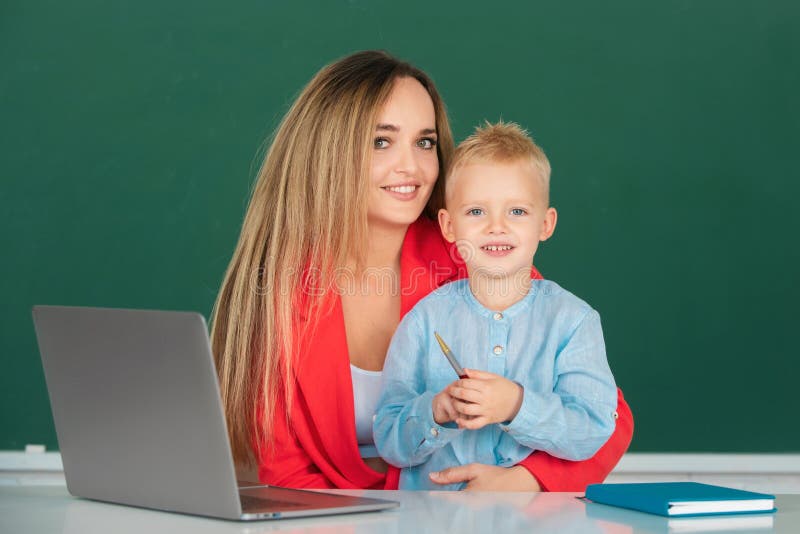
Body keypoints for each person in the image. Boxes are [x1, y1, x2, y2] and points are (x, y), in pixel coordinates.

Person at [210, 50, 633, 491]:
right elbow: (284, 474)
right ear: (329, 152)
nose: (411, 167)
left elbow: (608, 417)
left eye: (425, 142)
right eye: (381, 141)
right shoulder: (276, 290)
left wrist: (528, 481)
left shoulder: (466, 253)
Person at [373, 122, 619, 490]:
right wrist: (435, 412)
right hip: (433, 519)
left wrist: (518, 406)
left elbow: (593, 431)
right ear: (449, 226)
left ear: (546, 224)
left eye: (517, 211)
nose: (496, 227)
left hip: (534, 521)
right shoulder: (424, 320)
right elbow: (390, 439)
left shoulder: (574, 322)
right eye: (476, 212)